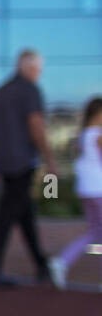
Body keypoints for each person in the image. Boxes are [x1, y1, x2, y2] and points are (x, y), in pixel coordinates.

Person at [0, 49, 58, 287]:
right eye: (38, 69)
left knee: (24, 213)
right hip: (21, 162)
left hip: (4, 162)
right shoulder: (30, 91)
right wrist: (49, 158)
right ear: (30, 68)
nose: (39, 73)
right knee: (8, 214)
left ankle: (41, 265)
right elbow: (36, 125)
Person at [48, 96, 102, 288]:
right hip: (98, 189)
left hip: (86, 190)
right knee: (96, 233)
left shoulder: (82, 136)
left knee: (95, 233)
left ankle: (62, 261)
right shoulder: (98, 135)